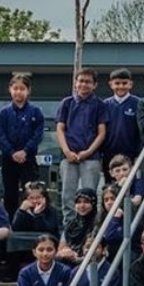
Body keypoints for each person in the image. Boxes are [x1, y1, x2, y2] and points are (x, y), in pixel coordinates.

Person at [55, 68, 108, 214]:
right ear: (75, 83)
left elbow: (102, 132)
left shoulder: (100, 105)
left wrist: (88, 152)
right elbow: (60, 129)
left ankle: (89, 227)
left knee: (90, 196)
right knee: (68, 196)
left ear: (94, 85)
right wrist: (67, 151)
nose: (84, 84)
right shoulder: (66, 103)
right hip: (69, 157)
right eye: (81, 81)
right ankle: (69, 226)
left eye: (88, 82)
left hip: (91, 158)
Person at [0, 72, 45, 219]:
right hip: (8, 159)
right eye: (15, 88)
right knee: (10, 194)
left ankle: (32, 221)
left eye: (22, 88)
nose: (18, 92)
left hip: (28, 159)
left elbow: (38, 135)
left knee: (31, 192)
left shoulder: (36, 112)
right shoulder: (3, 113)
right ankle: (11, 223)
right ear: (10, 89)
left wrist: (25, 151)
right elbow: (0, 136)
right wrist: (12, 152)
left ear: (28, 90)